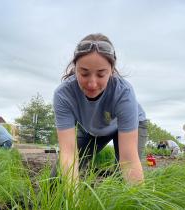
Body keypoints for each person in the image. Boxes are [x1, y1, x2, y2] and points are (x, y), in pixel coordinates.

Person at [53, 33, 147, 185]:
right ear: (75, 68)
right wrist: (73, 201)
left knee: (122, 180)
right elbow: (69, 154)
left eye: (101, 74)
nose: (92, 84)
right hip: (92, 128)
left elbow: (128, 159)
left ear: (112, 71)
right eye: (84, 73)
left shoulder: (124, 92)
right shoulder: (63, 95)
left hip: (129, 126)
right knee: (57, 180)